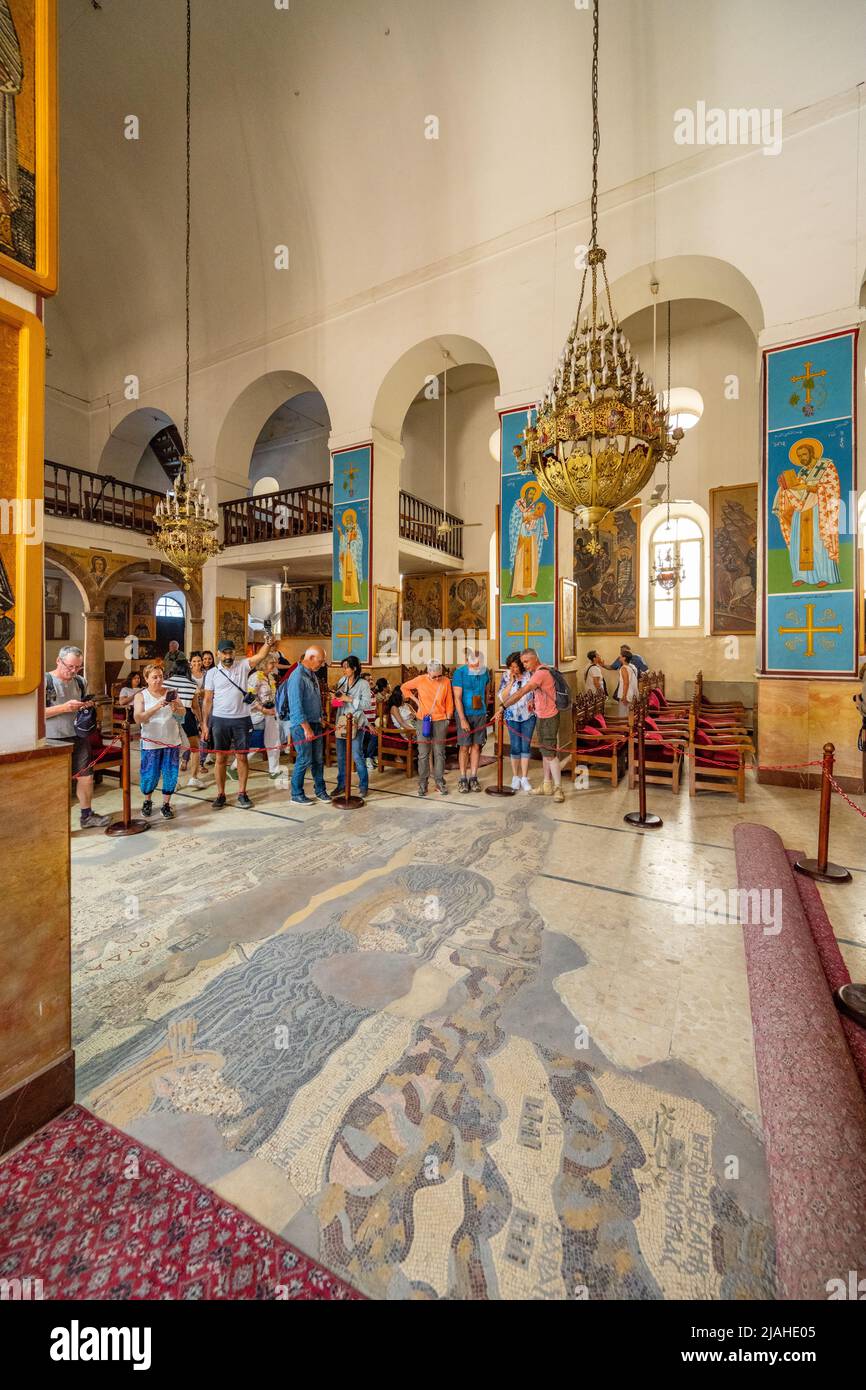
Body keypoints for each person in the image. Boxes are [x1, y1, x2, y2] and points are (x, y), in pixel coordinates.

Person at [200, 634, 279, 810]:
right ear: (218, 654)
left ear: (234, 653)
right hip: (220, 720)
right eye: (224, 653)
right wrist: (205, 724)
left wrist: (268, 642)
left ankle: (242, 793)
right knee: (220, 758)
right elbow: (207, 700)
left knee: (242, 757)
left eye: (231, 653)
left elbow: (260, 656)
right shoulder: (212, 673)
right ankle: (220, 794)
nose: (228, 657)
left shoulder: (242, 666)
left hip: (241, 720)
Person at [44, 645, 110, 829]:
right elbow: (35, 713)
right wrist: (64, 708)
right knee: (56, 784)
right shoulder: (45, 681)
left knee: (86, 777)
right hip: (53, 739)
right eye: (70, 667)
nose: (73, 671)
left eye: (78, 667)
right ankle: (53, 823)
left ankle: (86, 816)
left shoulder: (80, 682)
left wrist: (86, 706)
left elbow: (81, 707)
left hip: (79, 737)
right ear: (59, 661)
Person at [498, 647, 564, 803]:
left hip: (548, 717)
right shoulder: (544, 669)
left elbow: (522, 692)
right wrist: (533, 702)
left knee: (550, 754)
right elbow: (539, 693)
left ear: (535, 658)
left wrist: (502, 707)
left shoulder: (540, 673)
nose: (525, 665)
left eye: (526, 661)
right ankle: (547, 785)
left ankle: (558, 788)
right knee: (545, 753)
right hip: (542, 715)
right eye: (522, 662)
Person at [133, 663, 186, 819]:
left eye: (161, 677)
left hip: (171, 740)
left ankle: (166, 804)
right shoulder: (140, 696)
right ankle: (147, 801)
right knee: (150, 774)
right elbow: (138, 718)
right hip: (151, 742)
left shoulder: (171, 693)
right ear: (146, 679)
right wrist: (157, 706)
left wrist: (176, 707)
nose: (158, 680)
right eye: (154, 677)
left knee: (170, 774)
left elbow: (183, 714)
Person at [398, 660, 454, 797]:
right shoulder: (420, 680)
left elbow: (449, 701)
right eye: (434, 676)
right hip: (423, 720)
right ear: (428, 672)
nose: (437, 678)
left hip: (440, 720)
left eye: (439, 675)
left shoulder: (445, 681)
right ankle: (423, 784)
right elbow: (404, 687)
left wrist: (448, 718)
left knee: (439, 753)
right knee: (423, 754)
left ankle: (439, 782)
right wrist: (415, 700)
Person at [285, 645, 331, 806]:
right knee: (304, 759)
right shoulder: (297, 676)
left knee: (318, 759)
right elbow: (296, 706)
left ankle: (320, 790)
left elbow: (315, 700)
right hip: (302, 726)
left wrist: (321, 717)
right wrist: (306, 728)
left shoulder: (312, 674)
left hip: (315, 722)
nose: (322, 664)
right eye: (320, 661)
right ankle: (296, 793)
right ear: (311, 658)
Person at [332, 655, 372, 798]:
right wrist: (335, 700)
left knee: (357, 755)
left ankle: (363, 785)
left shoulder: (363, 684)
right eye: (343, 667)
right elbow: (338, 702)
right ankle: (341, 785)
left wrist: (349, 699)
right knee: (341, 756)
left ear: (354, 668)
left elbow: (367, 705)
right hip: (341, 722)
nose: (344, 670)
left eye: (346, 667)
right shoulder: (342, 681)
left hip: (356, 722)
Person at [452, 648, 490, 792]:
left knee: (476, 746)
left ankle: (473, 777)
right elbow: (457, 698)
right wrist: (462, 719)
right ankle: (463, 778)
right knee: (464, 746)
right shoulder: (459, 673)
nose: (477, 665)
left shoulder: (485, 672)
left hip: (480, 714)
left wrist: (485, 712)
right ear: (467, 661)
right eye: (474, 663)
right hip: (465, 713)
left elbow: (486, 693)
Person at [497, 651, 536, 791]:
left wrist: (533, 700)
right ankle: (515, 777)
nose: (512, 669)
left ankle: (524, 777)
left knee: (525, 745)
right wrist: (511, 682)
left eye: (515, 667)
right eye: (510, 667)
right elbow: (502, 698)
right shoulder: (506, 676)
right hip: (511, 715)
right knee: (515, 746)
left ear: (521, 665)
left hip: (528, 715)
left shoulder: (530, 675)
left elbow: (536, 693)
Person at [166, 656, 204, 788]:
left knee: (172, 748)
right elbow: (195, 707)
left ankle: (173, 781)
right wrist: (202, 722)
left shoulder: (166, 683)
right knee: (195, 748)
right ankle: (193, 778)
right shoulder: (192, 685)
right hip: (186, 715)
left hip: (170, 715)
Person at [246, 653, 282, 778]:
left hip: (271, 713)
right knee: (255, 745)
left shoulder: (270, 677)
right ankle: (235, 767)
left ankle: (274, 770)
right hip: (258, 715)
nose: (274, 665)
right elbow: (249, 699)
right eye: (271, 663)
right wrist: (263, 709)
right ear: (264, 663)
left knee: (274, 742)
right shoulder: (255, 677)